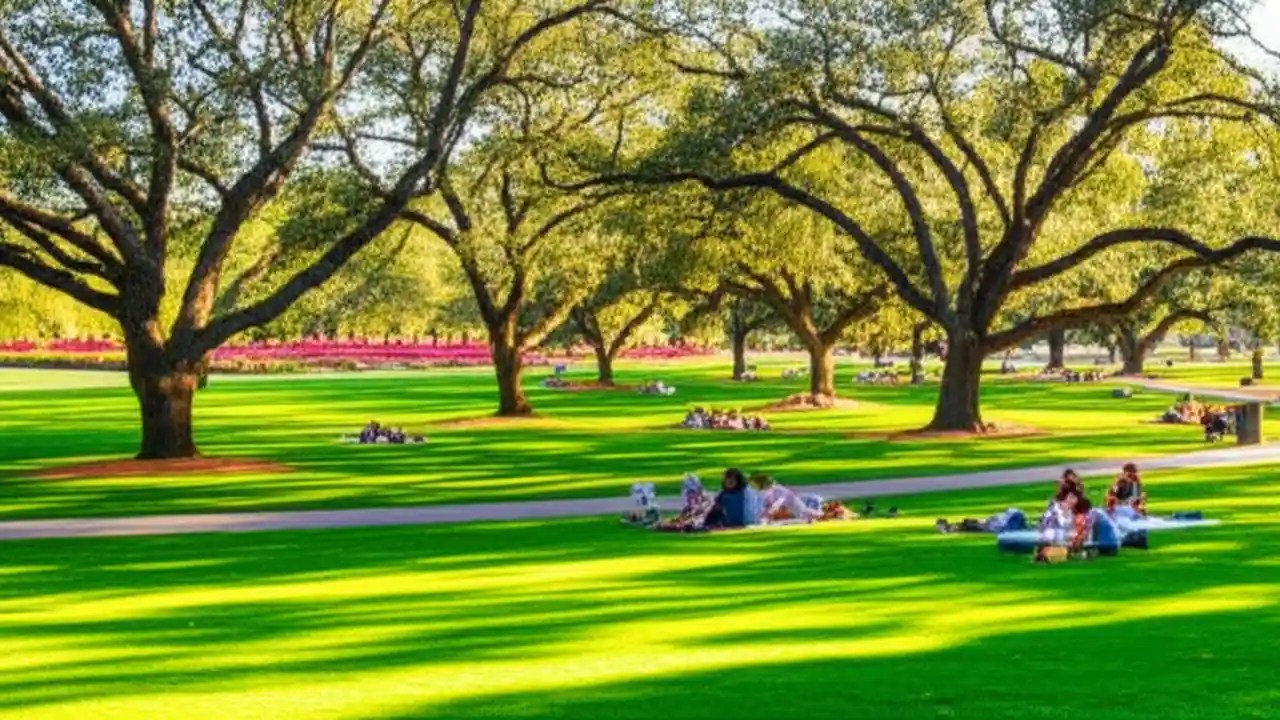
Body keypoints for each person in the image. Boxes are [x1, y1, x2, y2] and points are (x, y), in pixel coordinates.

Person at [750, 474, 821, 524]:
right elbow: (766, 505)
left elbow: (779, 502)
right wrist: (762, 515)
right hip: (786, 505)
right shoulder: (765, 492)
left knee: (803, 513)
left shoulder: (778, 489)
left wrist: (771, 510)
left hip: (792, 502)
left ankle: (817, 513)